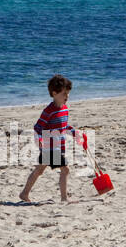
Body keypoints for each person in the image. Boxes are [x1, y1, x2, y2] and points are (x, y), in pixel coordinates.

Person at [19, 74, 84, 203]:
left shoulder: (64, 109)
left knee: (39, 170)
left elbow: (64, 126)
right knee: (65, 170)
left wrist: (74, 132)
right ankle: (64, 198)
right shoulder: (49, 111)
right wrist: (40, 140)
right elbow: (38, 127)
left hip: (57, 146)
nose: (67, 96)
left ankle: (24, 193)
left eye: (68, 93)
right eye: (64, 94)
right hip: (51, 147)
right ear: (54, 93)